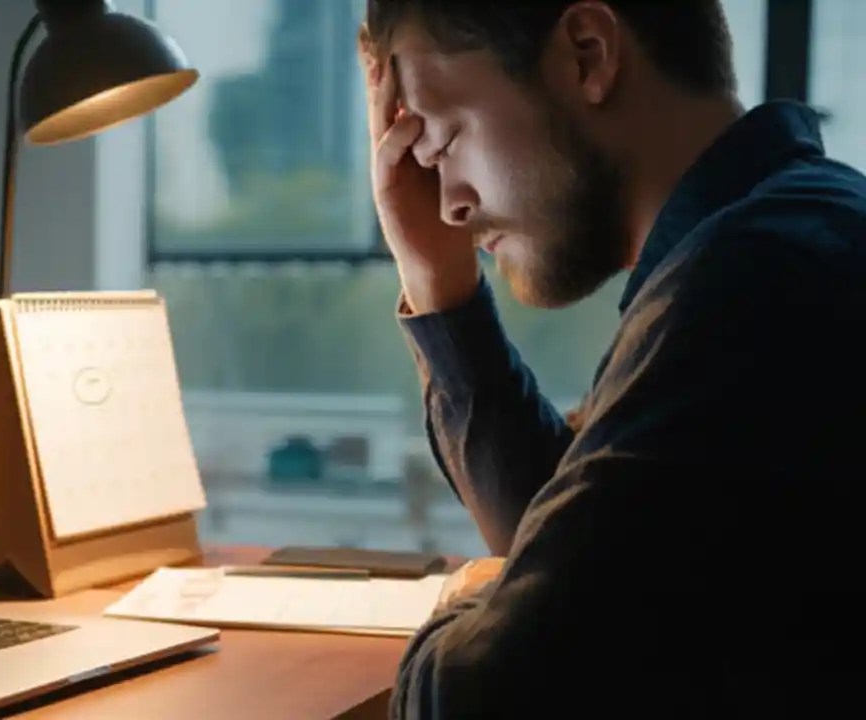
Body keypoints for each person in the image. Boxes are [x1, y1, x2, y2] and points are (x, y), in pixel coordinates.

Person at [358, 0, 866, 715]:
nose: (449, 208)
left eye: (440, 145)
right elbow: (564, 546)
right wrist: (437, 287)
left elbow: (481, 695)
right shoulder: (779, 237)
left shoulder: (761, 278)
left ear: (588, 55)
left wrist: (477, 598)